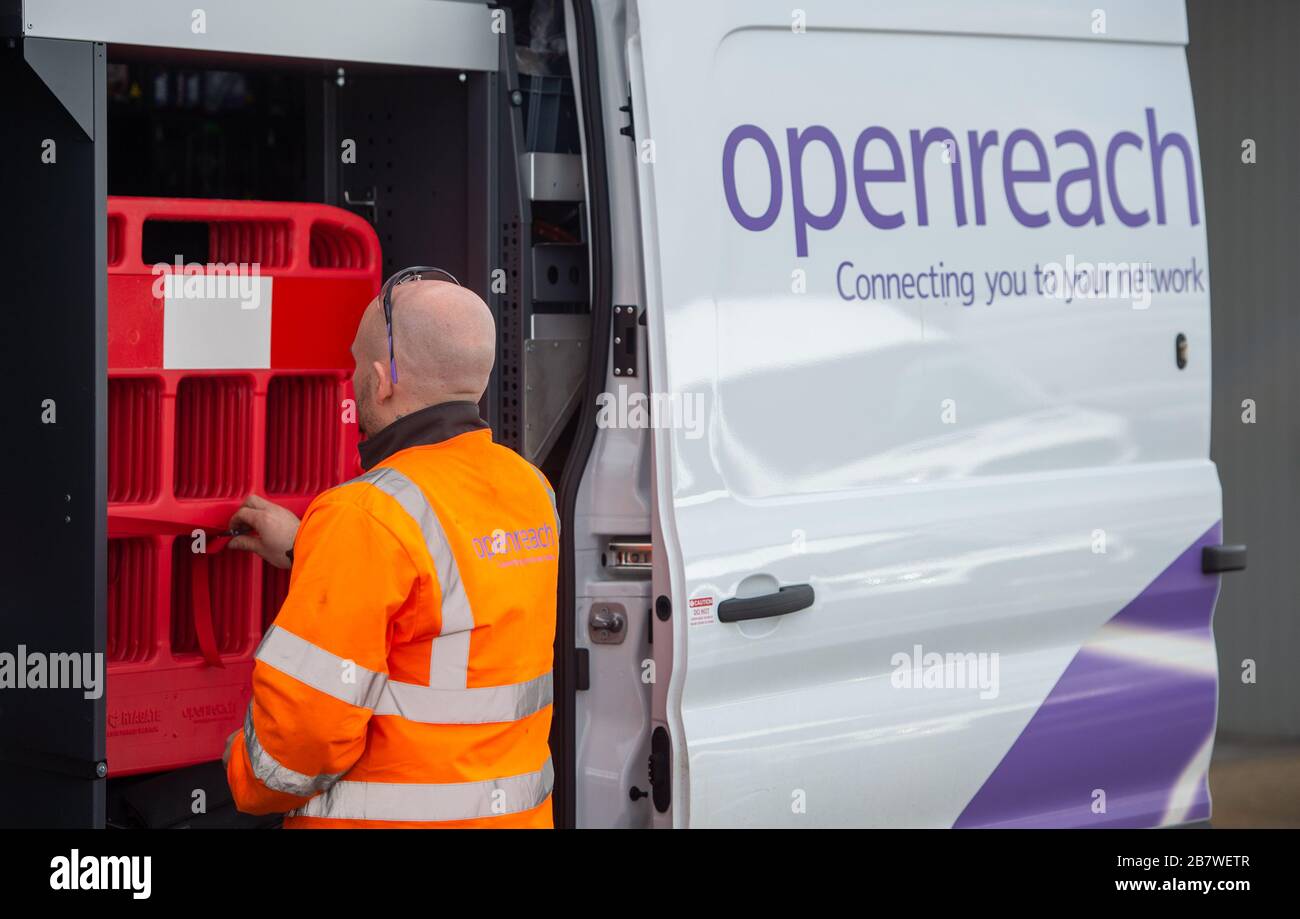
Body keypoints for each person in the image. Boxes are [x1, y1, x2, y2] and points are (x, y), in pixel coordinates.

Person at [222, 271, 558, 828]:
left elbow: (300, 744)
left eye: (357, 365)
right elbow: (448, 599)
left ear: (381, 381)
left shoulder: (364, 515)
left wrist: (237, 767)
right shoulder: (531, 489)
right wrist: (309, 544)